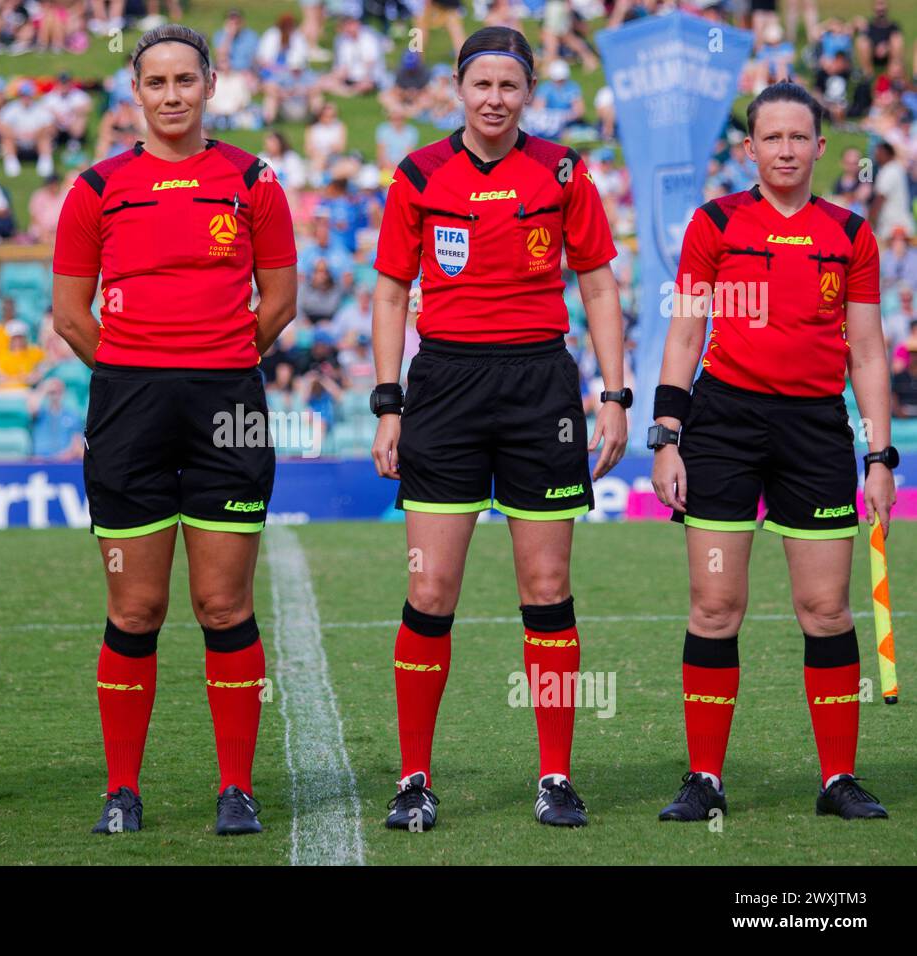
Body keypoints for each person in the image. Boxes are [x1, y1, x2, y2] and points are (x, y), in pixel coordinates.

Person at [370, 26, 627, 832]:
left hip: (539, 387)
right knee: (430, 589)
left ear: (528, 91)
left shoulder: (562, 170)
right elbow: (388, 294)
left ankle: (556, 775)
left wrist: (613, 395)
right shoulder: (418, 173)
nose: (494, 99)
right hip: (443, 386)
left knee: (546, 590)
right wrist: (388, 402)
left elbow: (597, 285)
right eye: (481, 85)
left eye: (509, 86)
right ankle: (415, 776)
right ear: (458, 87)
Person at [52, 24, 297, 837]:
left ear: (210, 84)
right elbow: (68, 315)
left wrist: (219, 359)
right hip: (127, 409)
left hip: (228, 404)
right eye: (154, 82)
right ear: (135, 91)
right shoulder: (96, 188)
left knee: (223, 603)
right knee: (137, 607)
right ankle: (122, 791)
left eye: (183, 80)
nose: (170, 95)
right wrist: (134, 373)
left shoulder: (253, 180)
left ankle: (237, 789)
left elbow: (281, 301)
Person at [651, 82, 893, 823]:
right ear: (750, 148)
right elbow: (686, 334)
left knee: (825, 609)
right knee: (715, 605)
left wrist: (880, 456)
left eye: (799, 137)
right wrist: (666, 436)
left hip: (816, 432)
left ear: (821, 147)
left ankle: (838, 780)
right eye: (772, 138)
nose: (786, 150)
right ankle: (704, 779)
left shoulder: (852, 234)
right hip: (723, 427)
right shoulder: (714, 223)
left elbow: (869, 353)